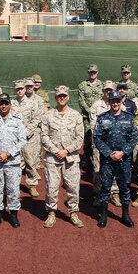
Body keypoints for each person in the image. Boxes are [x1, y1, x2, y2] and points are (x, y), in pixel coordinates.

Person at [40, 85, 86, 228]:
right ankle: (51, 212)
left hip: (71, 158)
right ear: (55, 97)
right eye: (59, 95)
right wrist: (55, 150)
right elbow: (44, 136)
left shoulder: (76, 115)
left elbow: (80, 137)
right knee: (51, 186)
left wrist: (66, 150)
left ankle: (73, 212)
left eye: (64, 95)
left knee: (73, 187)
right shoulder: (48, 115)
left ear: (68, 97)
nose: (62, 98)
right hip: (53, 158)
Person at [94, 91, 138, 227]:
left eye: (118, 101)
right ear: (109, 102)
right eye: (113, 101)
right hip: (107, 160)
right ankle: (104, 215)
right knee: (106, 187)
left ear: (121, 101)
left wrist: (123, 153)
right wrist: (109, 153)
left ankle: (125, 215)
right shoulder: (102, 118)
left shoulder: (129, 118)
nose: (115, 103)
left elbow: (134, 138)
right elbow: (96, 137)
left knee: (125, 187)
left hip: (124, 160)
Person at [0, 93, 27, 228]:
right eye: (1, 103)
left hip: (12, 162)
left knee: (13, 189)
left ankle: (13, 214)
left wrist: (8, 154)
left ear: (10, 105)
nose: (3, 106)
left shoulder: (17, 120)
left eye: (6, 103)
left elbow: (22, 140)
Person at [12, 79, 44, 198]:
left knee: (30, 161)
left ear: (25, 89)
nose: (19, 91)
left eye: (21, 88)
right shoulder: (11, 103)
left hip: (28, 137)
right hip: (15, 138)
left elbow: (36, 119)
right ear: (15, 90)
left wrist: (26, 132)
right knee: (15, 163)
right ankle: (15, 186)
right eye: (17, 89)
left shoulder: (32, 104)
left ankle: (32, 185)